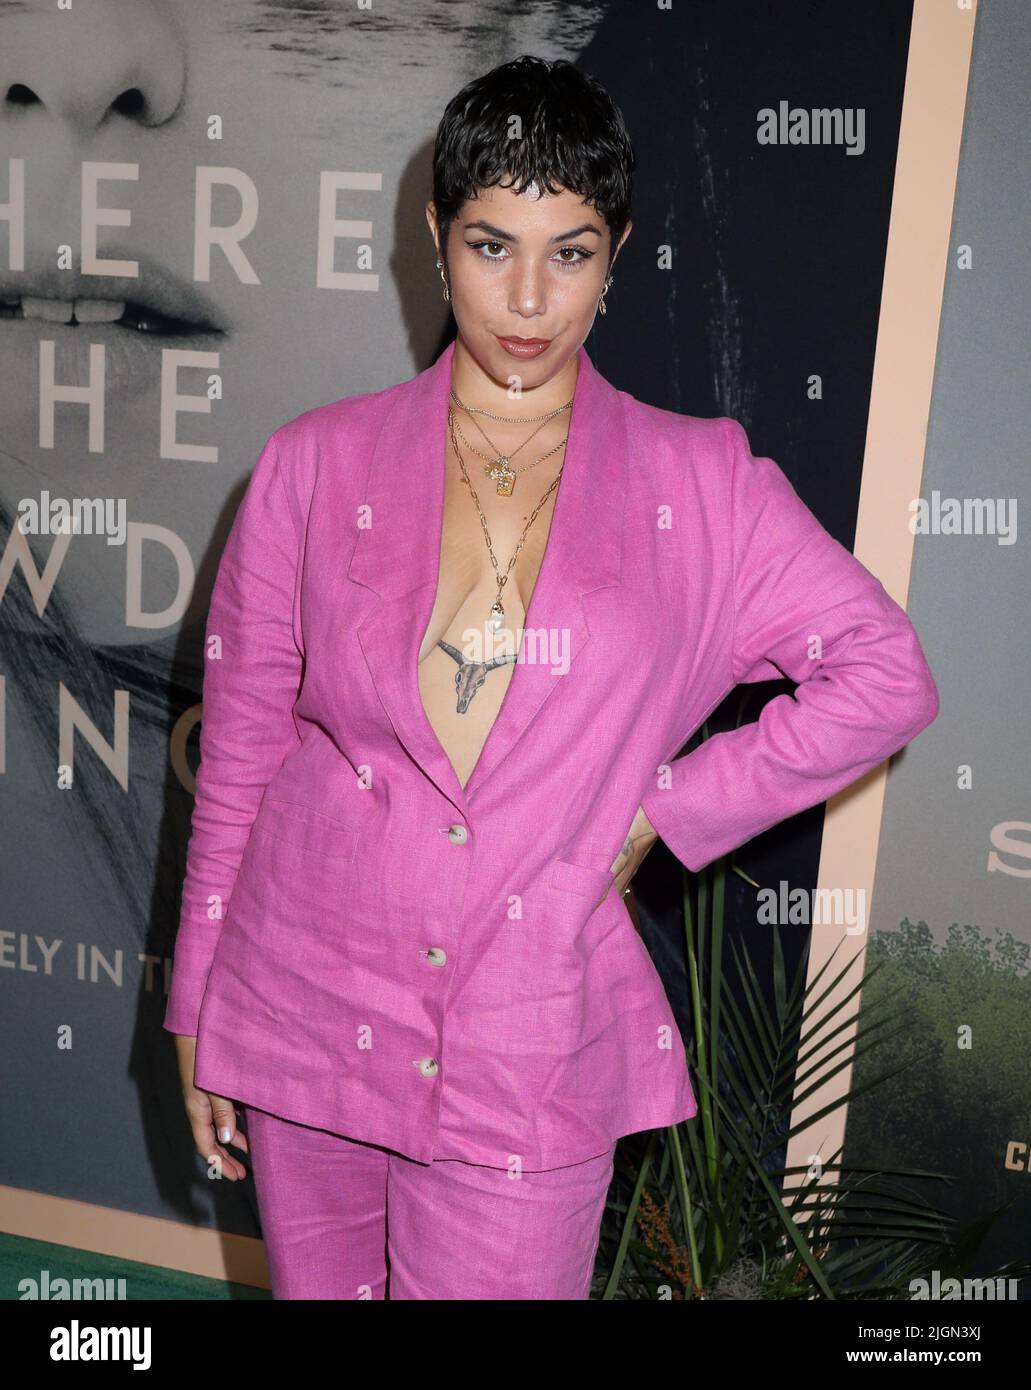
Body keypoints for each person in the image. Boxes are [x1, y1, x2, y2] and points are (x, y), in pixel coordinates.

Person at [165, 56, 939, 1300]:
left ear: (616, 251)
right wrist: (201, 998)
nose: (527, 299)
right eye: (490, 246)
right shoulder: (314, 464)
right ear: (435, 236)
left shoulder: (701, 484)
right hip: (304, 1001)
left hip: (525, 1038)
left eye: (569, 253)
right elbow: (245, 747)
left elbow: (882, 675)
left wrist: (660, 811)